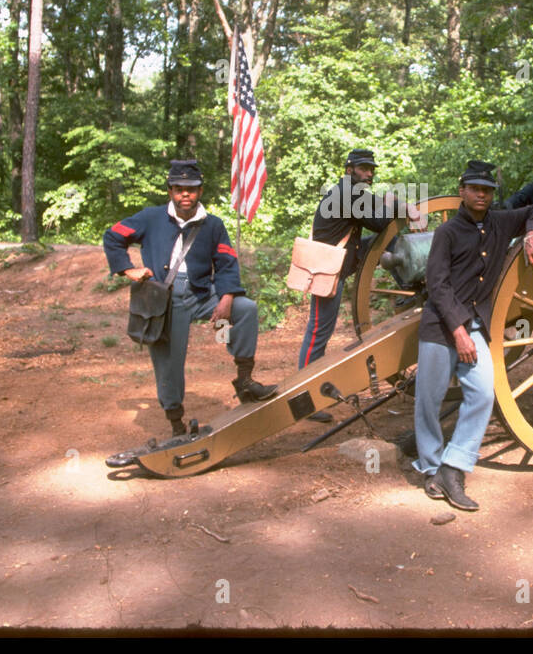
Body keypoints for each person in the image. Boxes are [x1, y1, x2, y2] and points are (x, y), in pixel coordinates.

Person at [103, 159, 277, 437]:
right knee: (169, 363)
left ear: (200, 191)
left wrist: (227, 296)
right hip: (166, 299)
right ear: (170, 190)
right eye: (179, 188)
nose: (186, 194)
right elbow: (113, 236)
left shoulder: (213, 225)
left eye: (192, 189)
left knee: (246, 309)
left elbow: (226, 262)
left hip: (200, 292)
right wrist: (127, 269)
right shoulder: (150, 217)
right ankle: (176, 425)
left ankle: (244, 381)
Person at [414, 159, 533, 511]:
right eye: (475, 188)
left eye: (487, 190)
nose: (481, 195)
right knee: (428, 401)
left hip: (475, 324)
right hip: (441, 326)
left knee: (483, 393)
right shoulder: (447, 232)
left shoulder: (501, 222)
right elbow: (438, 286)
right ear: (462, 191)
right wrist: (458, 331)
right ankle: (430, 468)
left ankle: (453, 466)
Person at [298, 148, 424, 377]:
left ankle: (411, 288)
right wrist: (402, 209)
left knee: (389, 241)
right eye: (363, 169)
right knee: (319, 332)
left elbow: (383, 201)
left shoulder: (352, 192)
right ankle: (303, 386)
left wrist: (408, 206)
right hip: (328, 271)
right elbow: (379, 222)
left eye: (371, 170)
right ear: (349, 170)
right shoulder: (346, 194)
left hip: (346, 258)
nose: (369, 174)